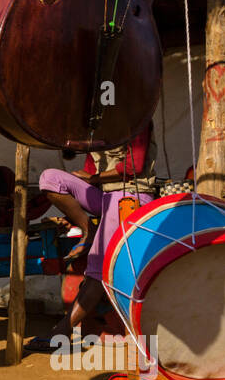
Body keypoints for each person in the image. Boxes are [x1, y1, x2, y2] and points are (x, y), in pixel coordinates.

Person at [26, 125, 157, 350]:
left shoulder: (136, 118)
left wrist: (94, 178)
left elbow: (133, 166)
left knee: (98, 267)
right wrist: (80, 199)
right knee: (50, 178)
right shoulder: (97, 127)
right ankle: (89, 229)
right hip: (104, 197)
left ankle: (62, 332)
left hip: (130, 194)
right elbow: (88, 174)